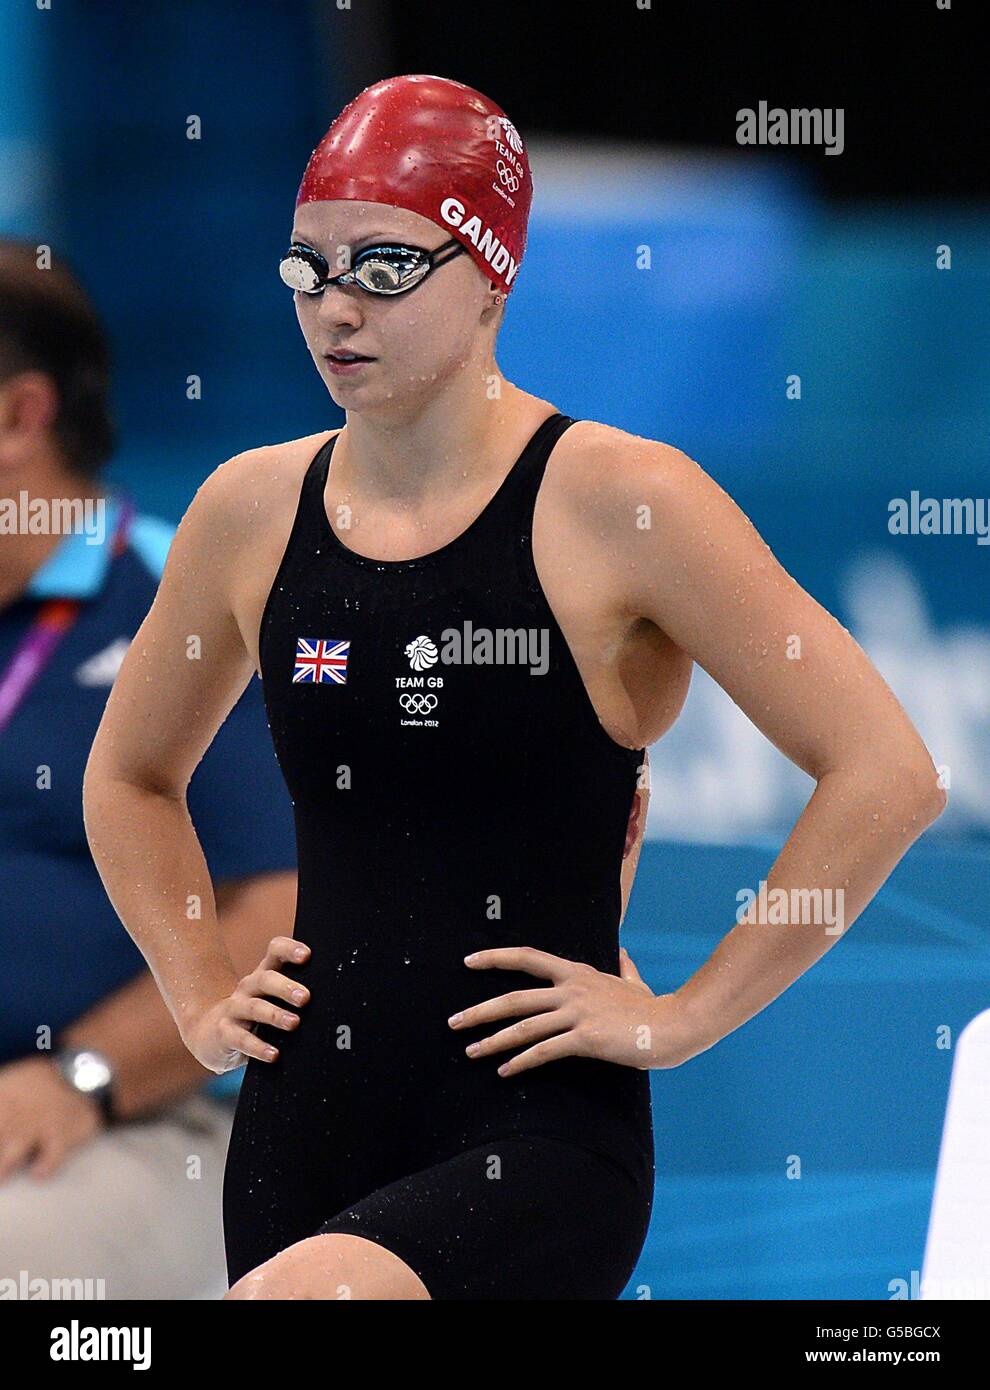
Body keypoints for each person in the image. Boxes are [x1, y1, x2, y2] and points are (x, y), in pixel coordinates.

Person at [83, 74, 946, 1302]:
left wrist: (686, 1014)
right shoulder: (251, 508)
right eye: (307, 268)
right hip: (300, 1123)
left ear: (491, 271)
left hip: (535, 1125)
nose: (336, 308)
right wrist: (195, 987)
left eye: (384, 266)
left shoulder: (624, 503)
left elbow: (888, 772)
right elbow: (126, 775)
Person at [0, 240, 297, 1299]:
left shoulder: (183, 599)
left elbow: (276, 911)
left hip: (141, 1123)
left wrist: (83, 1074)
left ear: (20, 418)